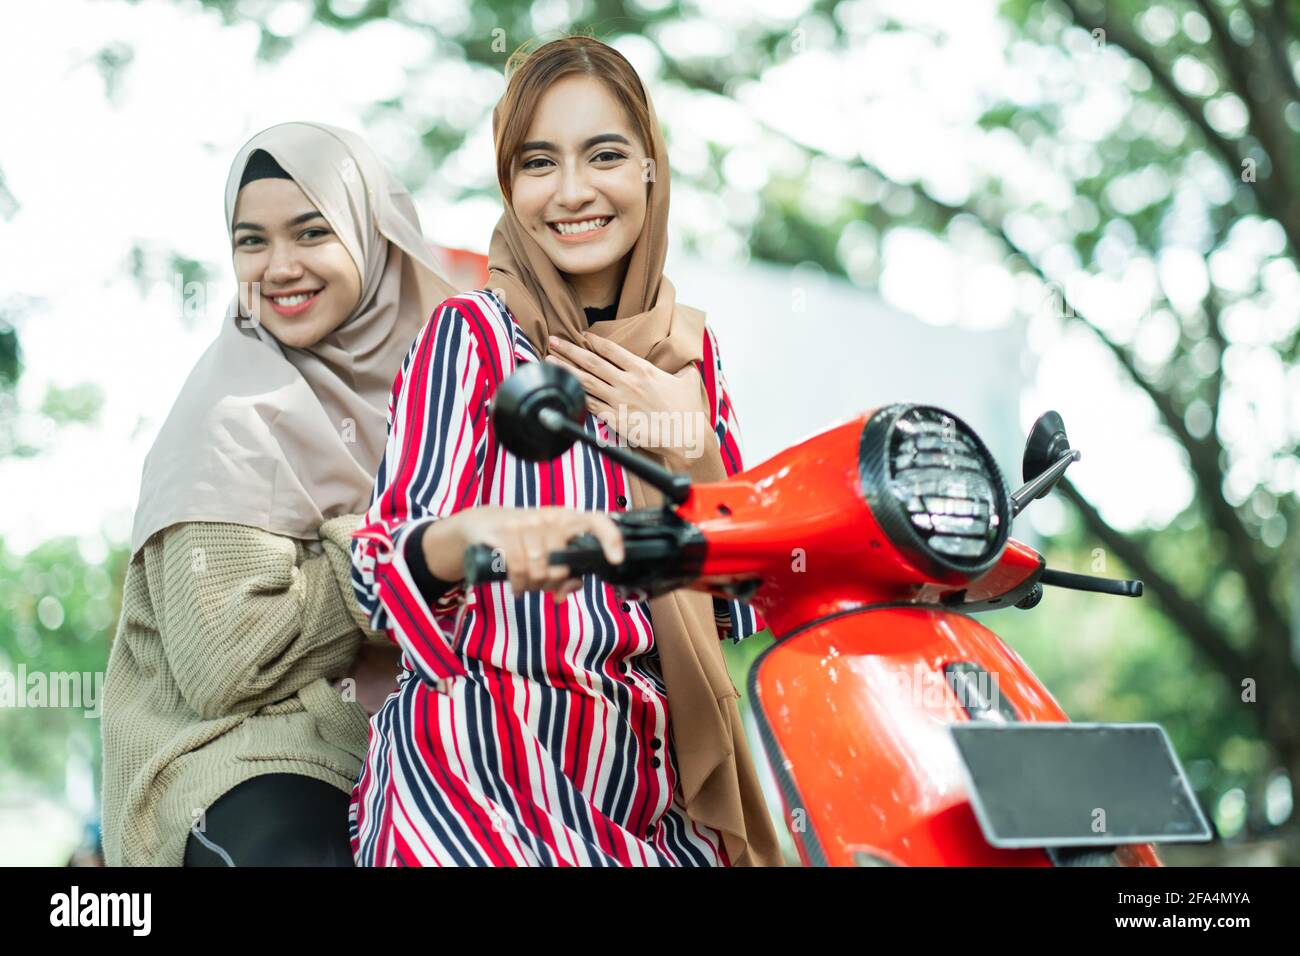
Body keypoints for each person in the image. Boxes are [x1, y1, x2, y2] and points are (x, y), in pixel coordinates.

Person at [348, 36, 783, 866]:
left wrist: (690, 449)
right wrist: (474, 539)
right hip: (481, 761)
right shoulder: (472, 335)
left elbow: (741, 602)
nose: (573, 192)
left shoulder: (690, 357)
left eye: (606, 155)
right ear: (509, 186)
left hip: (651, 776)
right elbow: (376, 574)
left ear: (652, 170)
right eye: (539, 162)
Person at [100, 122, 454, 866]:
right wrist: (380, 556)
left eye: (311, 232)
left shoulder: (446, 388)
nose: (279, 266)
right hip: (249, 761)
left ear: (374, 236)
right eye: (251, 241)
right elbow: (227, 662)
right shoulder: (227, 412)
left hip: (431, 747)